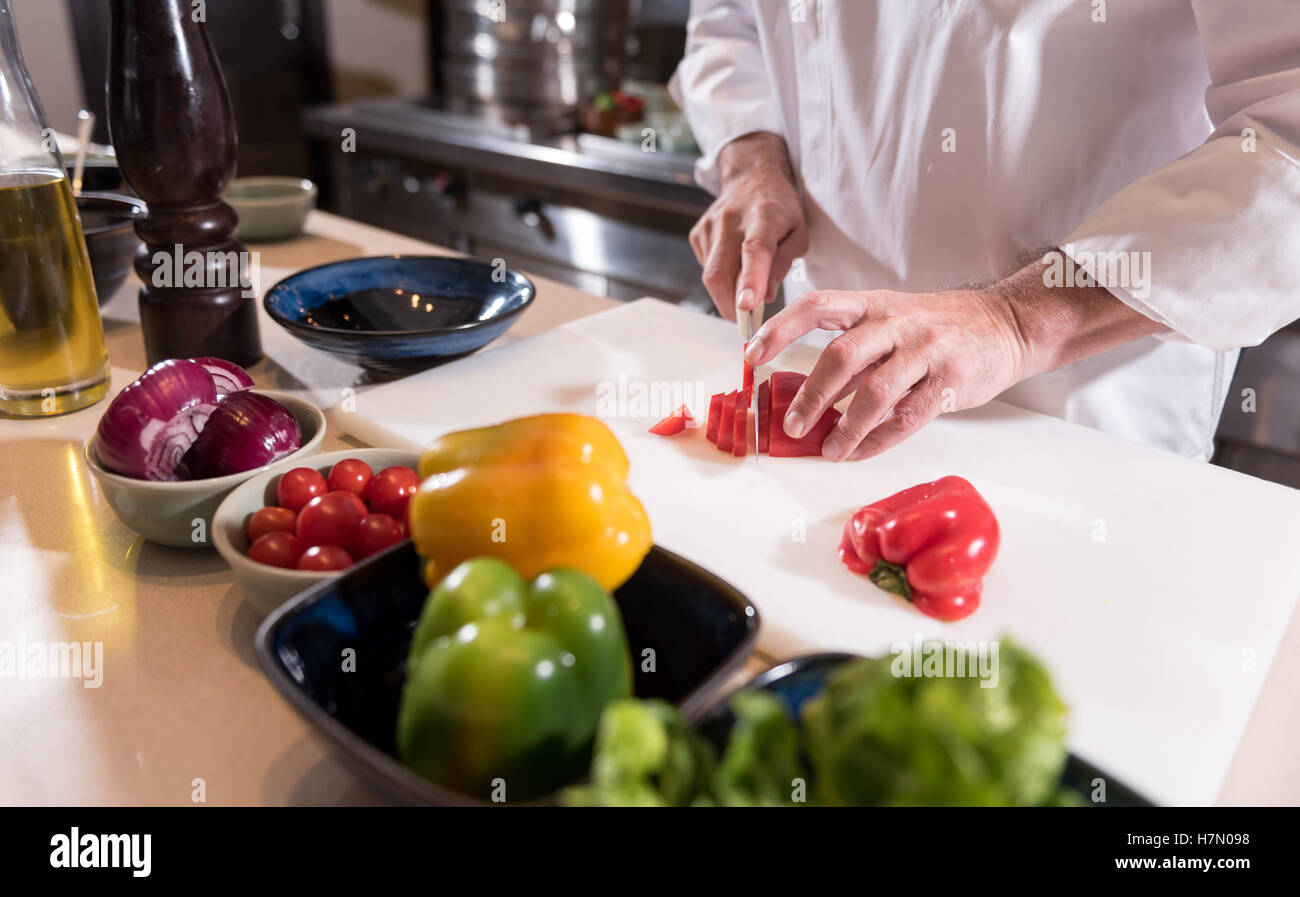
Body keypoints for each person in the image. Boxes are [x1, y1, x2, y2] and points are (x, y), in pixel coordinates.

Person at [670, 0, 1300, 461]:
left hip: (1080, 400)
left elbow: (1287, 129)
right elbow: (729, 21)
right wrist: (752, 157)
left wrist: (1015, 322)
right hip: (832, 375)